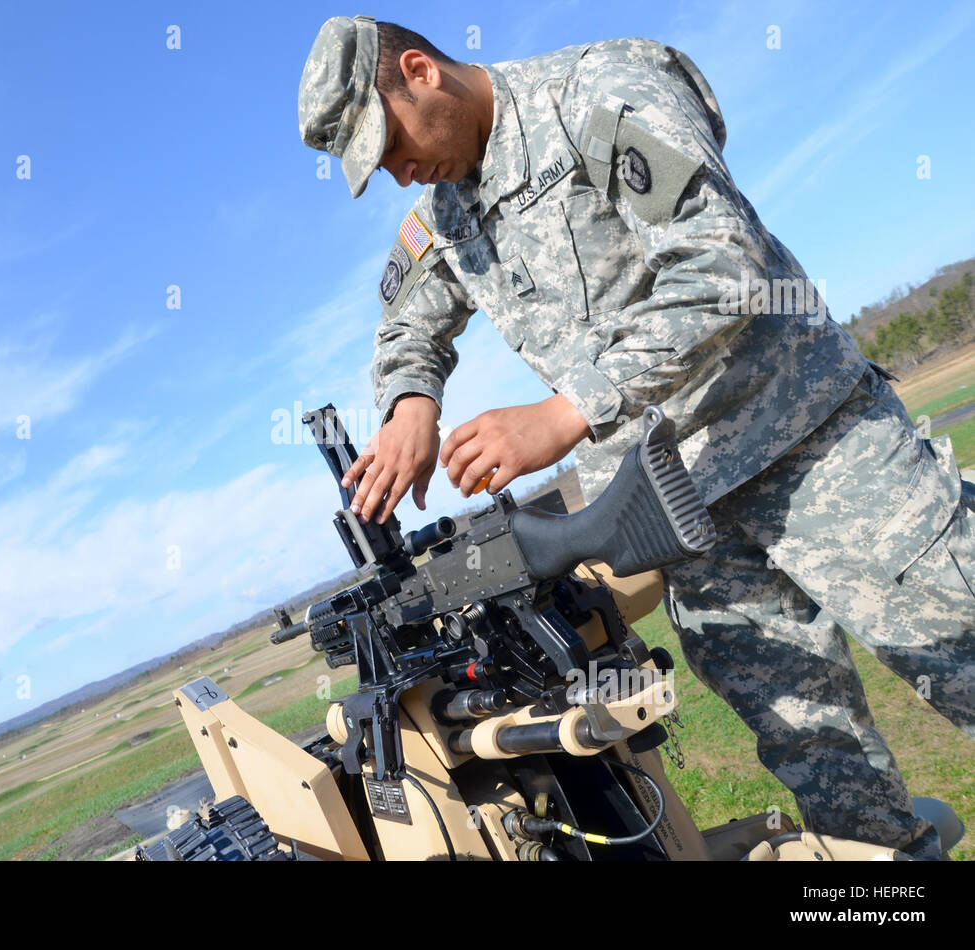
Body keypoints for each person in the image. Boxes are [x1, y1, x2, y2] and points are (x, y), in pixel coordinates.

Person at [297, 15, 975, 859]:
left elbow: (724, 263)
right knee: (818, 753)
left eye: (389, 142)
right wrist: (410, 406)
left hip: (809, 449)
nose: (399, 173)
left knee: (960, 645)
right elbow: (406, 326)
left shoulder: (596, 92)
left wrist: (567, 410)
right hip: (677, 511)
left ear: (419, 71)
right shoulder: (442, 212)